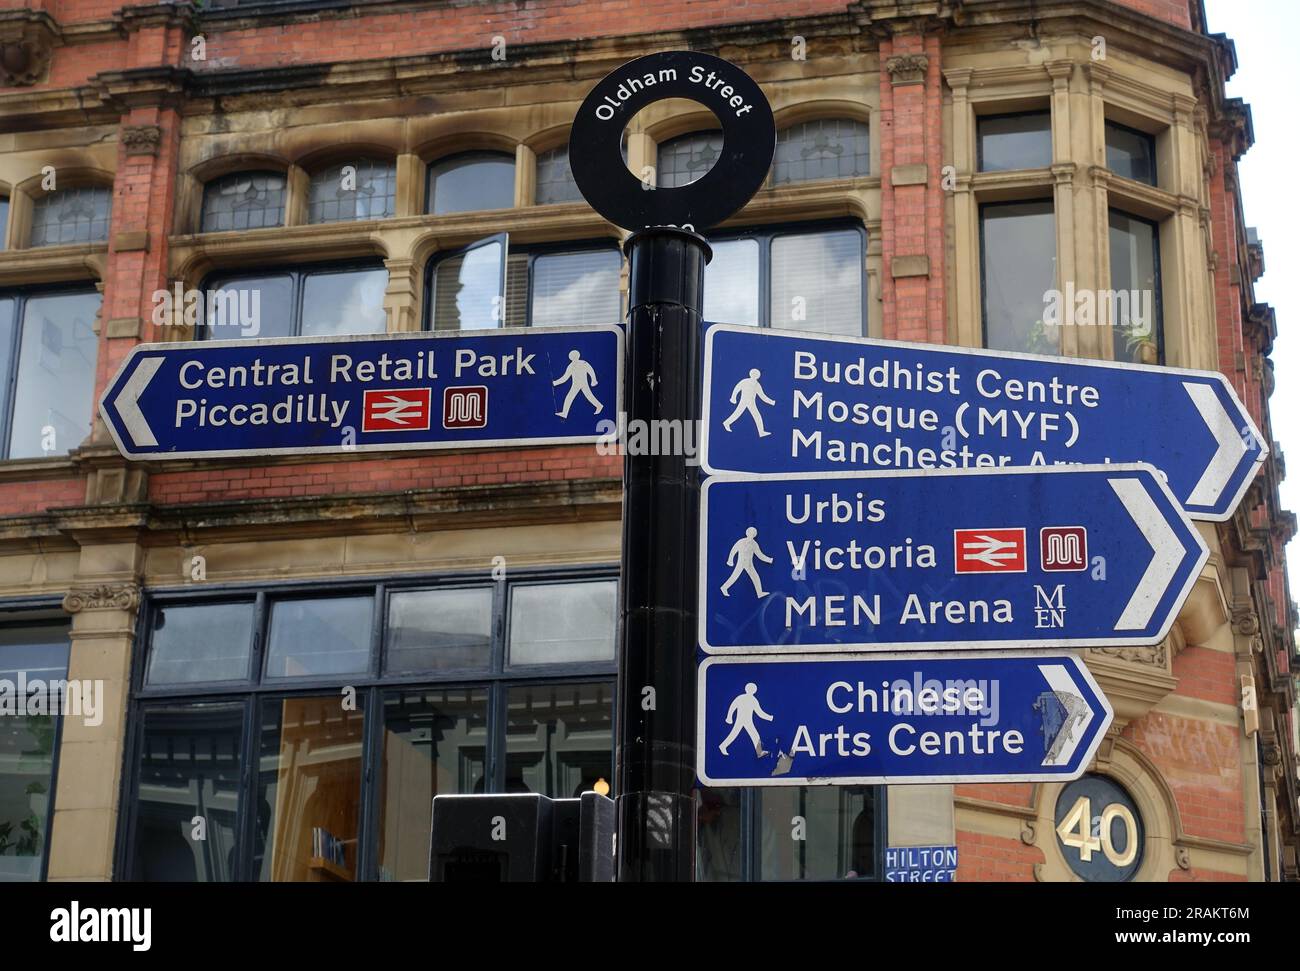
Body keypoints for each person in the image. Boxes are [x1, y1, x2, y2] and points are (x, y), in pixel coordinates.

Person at [719, 682, 774, 757]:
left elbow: (759, 712)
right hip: (741, 720)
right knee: (736, 734)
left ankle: (759, 752)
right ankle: (723, 746)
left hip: (747, 721)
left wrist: (769, 717)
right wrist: (729, 717)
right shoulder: (744, 698)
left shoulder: (751, 699)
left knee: (753, 735)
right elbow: (733, 706)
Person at [720, 526, 773, 598]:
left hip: (749, 564)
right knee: (734, 576)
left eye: (753, 533)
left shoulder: (754, 544)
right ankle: (724, 587)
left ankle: (759, 592)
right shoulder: (741, 542)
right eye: (751, 533)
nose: (752, 534)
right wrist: (730, 560)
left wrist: (769, 560)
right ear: (747, 533)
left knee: (755, 576)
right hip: (740, 563)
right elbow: (733, 550)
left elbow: (759, 554)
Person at [722, 368, 775, 437]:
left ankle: (761, 432)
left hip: (751, 402)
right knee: (740, 413)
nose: (756, 375)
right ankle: (726, 423)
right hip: (744, 401)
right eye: (755, 374)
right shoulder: (745, 381)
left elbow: (762, 396)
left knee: (753, 415)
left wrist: (771, 402)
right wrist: (733, 397)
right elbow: (737, 388)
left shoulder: (757, 384)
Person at [553, 349, 602, 418]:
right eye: (572, 356)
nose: (574, 357)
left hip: (581, 383)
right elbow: (565, 378)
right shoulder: (571, 366)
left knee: (572, 397)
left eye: (574, 356)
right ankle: (565, 413)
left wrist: (594, 380)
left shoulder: (583, 363)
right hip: (576, 384)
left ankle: (565, 413)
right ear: (570, 357)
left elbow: (591, 371)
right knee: (585, 396)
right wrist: (555, 383)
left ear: (577, 356)